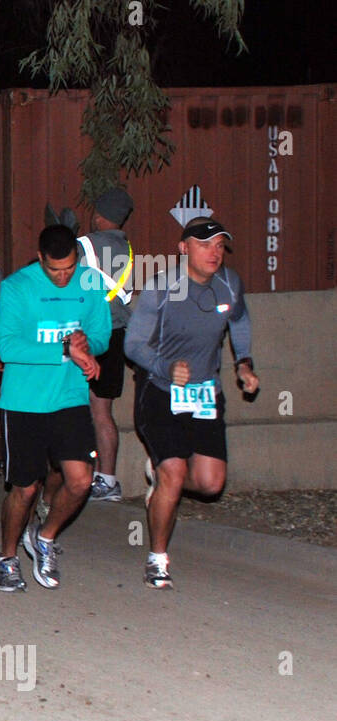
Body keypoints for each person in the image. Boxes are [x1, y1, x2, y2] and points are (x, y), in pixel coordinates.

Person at [125, 218, 256, 590]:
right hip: (161, 392)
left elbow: (240, 320)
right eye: (204, 244)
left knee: (211, 484)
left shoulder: (229, 283)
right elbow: (132, 345)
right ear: (184, 249)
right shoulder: (161, 289)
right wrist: (165, 366)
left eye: (219, 245)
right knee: (176, 473)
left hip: (205, 394)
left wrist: (244, 363)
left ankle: (159, 475)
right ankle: (158, 558)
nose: (214, 252)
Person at [0, 224, 111, 592]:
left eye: (69, 269)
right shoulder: (17, 287)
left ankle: (44, 538)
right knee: (25, 490)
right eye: (54, 270)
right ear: (40, 258)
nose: (63, 277)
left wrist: (86, 346)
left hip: (69, 398)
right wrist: (64, 349)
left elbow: (102, 335)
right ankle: (8, 557)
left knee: (80, 480)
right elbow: (9, 348)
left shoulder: (90, 282)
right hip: (24, 402)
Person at [78, 187, 135, 502]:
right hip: (116, 333)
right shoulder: (125, 247)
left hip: (87, 334)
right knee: (103, 410)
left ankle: (81, 474)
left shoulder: (84, 243)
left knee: (78, 407)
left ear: (98, 214)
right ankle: (108, 479)